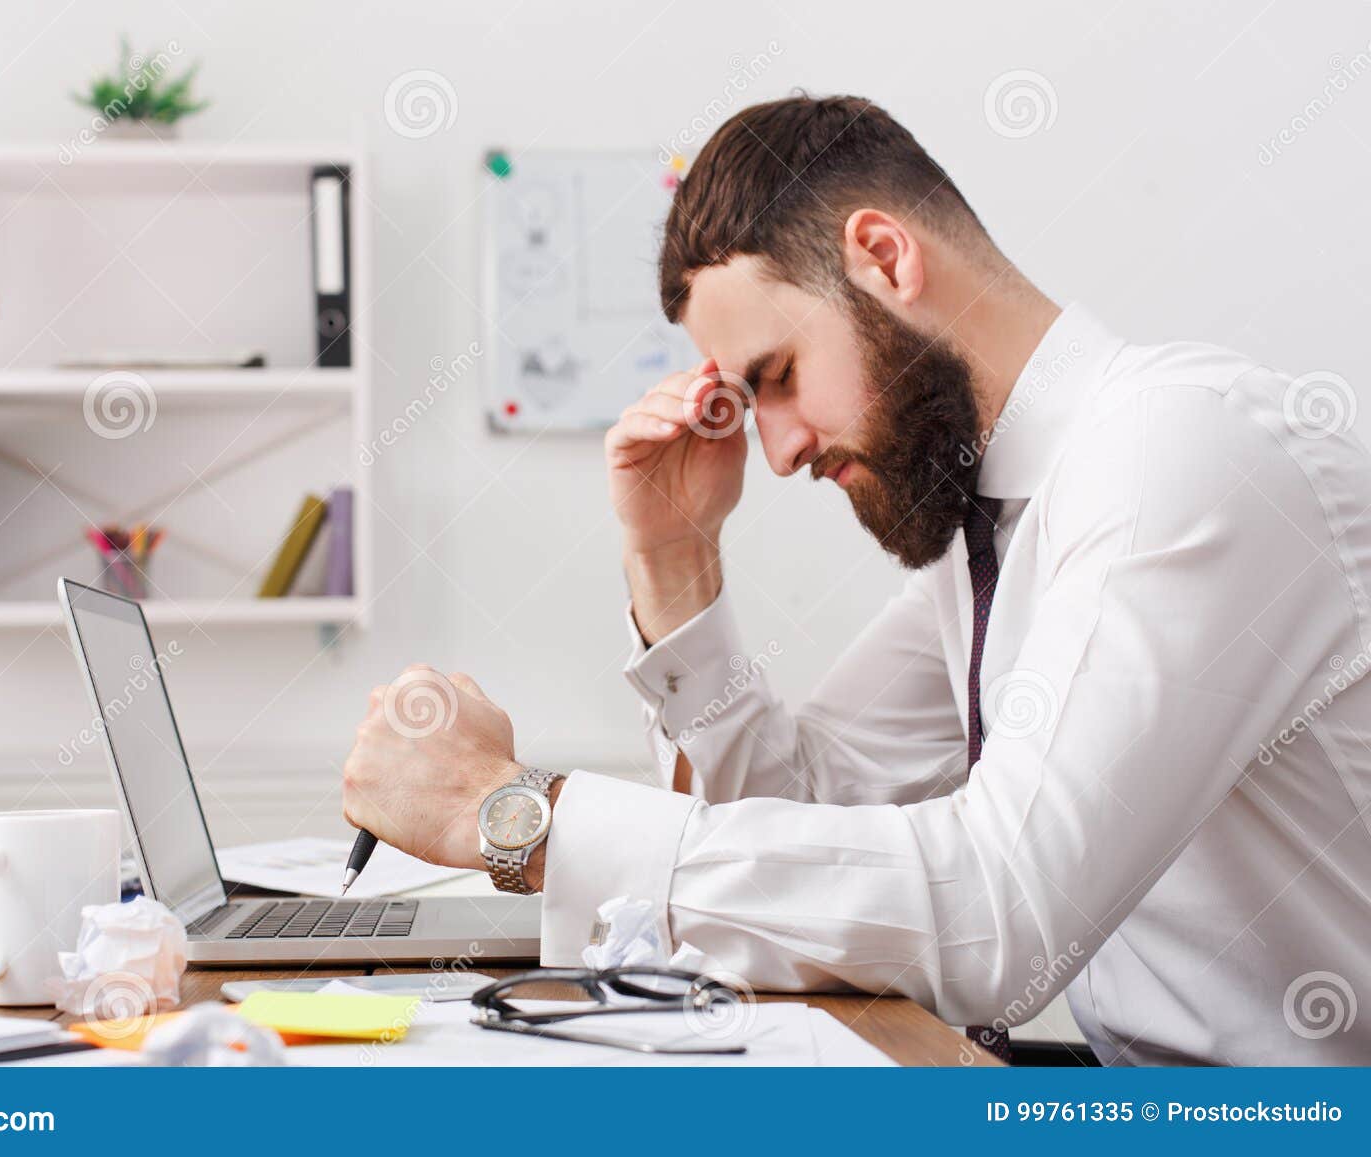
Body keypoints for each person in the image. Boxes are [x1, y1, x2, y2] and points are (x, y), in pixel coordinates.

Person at [341, 95, 1371, 1065]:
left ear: (882, 258)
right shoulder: (995, 517)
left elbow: (997, 907)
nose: (778, 451)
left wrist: (521, 814)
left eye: (778, 376)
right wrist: (674, 558)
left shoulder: (1183, 454)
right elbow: (804, 809)